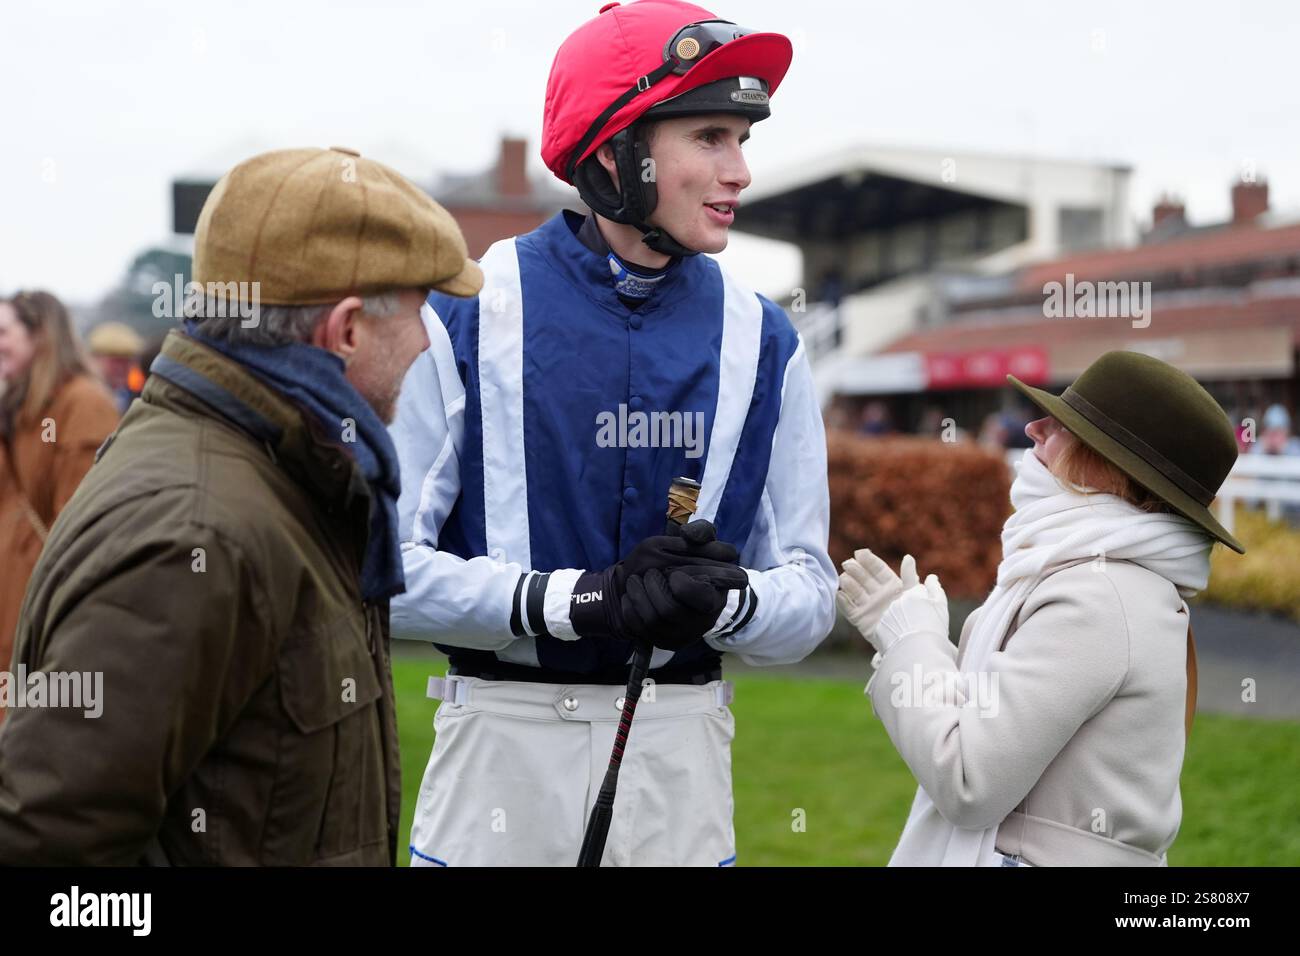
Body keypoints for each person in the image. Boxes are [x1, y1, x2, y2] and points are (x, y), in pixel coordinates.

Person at [390, 0, 835, 866]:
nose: (740, 170)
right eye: (710, 137)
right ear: (614, 151)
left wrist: (726, 601)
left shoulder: (768, 337)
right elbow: (383, 571)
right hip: (501, 762)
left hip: (683, 768)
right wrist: (576, 601)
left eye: (744, 139)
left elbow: (810, 598)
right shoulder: (467, 311)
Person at [0, 147, 482, 864]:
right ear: (346, 329)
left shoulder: (279, 476)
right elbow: (49, 845)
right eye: (419, 311)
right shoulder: (198, 534)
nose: (423, 341)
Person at [837, 350, 1245, 866]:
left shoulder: (1098, 596)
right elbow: (982, 724)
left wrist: (910, 642)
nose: (1032, 428)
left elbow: (969, 780)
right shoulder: (1091, 577)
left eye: (1061, 426)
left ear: (1105, 465)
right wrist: (913, 640)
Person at [0, 290, 119, 714]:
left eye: (4, 332)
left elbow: (84, 531)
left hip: (41, 606)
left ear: (41, 337)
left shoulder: (83, 404)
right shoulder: (18, 402)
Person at [86, 320, 145, 413]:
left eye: (127, 361)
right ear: (94, 358)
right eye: (116, 361)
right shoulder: (83, 396)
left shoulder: (139, 398)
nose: (122, 367)